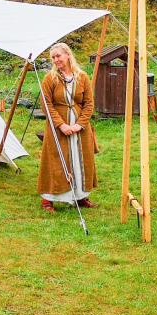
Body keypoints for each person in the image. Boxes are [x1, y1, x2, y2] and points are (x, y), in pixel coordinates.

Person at [37, 42, 97, 212]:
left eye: (59, 56)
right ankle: (48, 199)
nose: (56, 60)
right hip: (58, 127)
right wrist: (61, 124)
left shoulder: (82, 77)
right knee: (56, 160)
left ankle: (80, 196)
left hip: (79, 128)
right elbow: (46, 104)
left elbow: (89, 103)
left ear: (68, 55)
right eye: (53, 58)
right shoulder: (50, 78)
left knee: (81, 159)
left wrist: (80, 124)